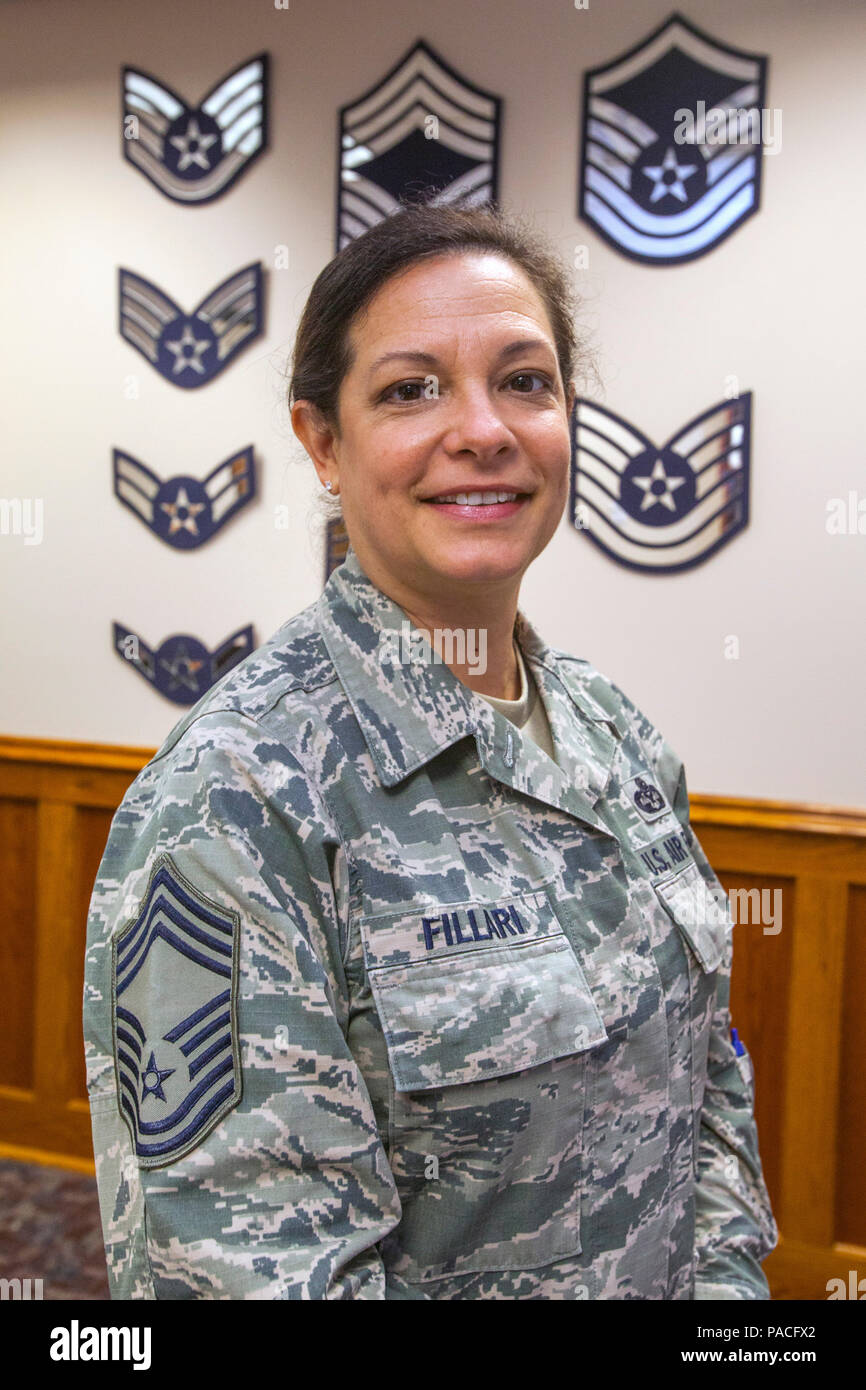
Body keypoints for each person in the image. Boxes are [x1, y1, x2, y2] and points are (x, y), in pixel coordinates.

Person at [83, 203, 777, 1300]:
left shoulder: (617, 736)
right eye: (411, 389)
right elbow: (248, 1277)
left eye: (524, 380)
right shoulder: (238, 798)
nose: (483, 430)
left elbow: (705, 1096)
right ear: (322, 441)